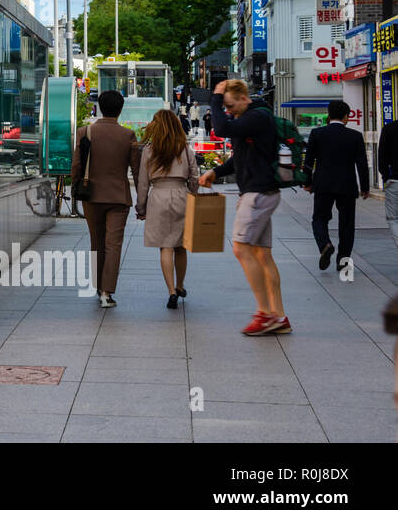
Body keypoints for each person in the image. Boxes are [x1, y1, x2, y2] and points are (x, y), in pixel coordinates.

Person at [199, 79, 289, 335]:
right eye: (224, 106)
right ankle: (278, 315)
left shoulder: (257, 116)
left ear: (243, 98)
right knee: (262, 254)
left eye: (230, 105)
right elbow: (240, 158)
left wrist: (215, 98)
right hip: (260, 191)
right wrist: (215, 172)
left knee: (240, 249)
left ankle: (265, 313)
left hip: (257, 194)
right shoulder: (250, 120)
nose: (228, 111)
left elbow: (222, 127)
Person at [70, 90, 139, 308]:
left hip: (91, 195)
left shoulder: (85, 132)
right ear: (120, 109)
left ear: (100, 107)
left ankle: (98, 286)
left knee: (96, 242)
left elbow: (77, 165)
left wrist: (74, 188)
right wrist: (143, 200)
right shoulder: (128, 135)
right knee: (114, 245)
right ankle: (107, 293)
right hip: (118, 197)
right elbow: (136, 171)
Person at [136, 109, 199, 308]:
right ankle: (180, 286)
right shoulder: (185, 148)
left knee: (165, 246)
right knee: (181, 245)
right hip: (181, 194)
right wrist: (193, 194)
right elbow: (195, 177)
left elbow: (143, 183)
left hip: (158, 196)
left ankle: (171, 291)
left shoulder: (149, 150)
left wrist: (141, 208)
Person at [304, 100, 369, 273]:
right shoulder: (355, 136)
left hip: (323, 184)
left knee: (319, 218)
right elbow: (362, 163)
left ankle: (325, 244)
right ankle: (344, 261)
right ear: (346, 116)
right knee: (347, 224)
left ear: (328, 114)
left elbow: (309, 161)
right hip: (347, 186)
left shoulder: (317, 133)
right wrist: (365, 187)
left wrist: (307, 182)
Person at [377, 116, 398, 223]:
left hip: (395, 180)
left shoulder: (389, 128)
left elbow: (382, 156)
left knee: (393, 218)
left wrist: (386, 177)